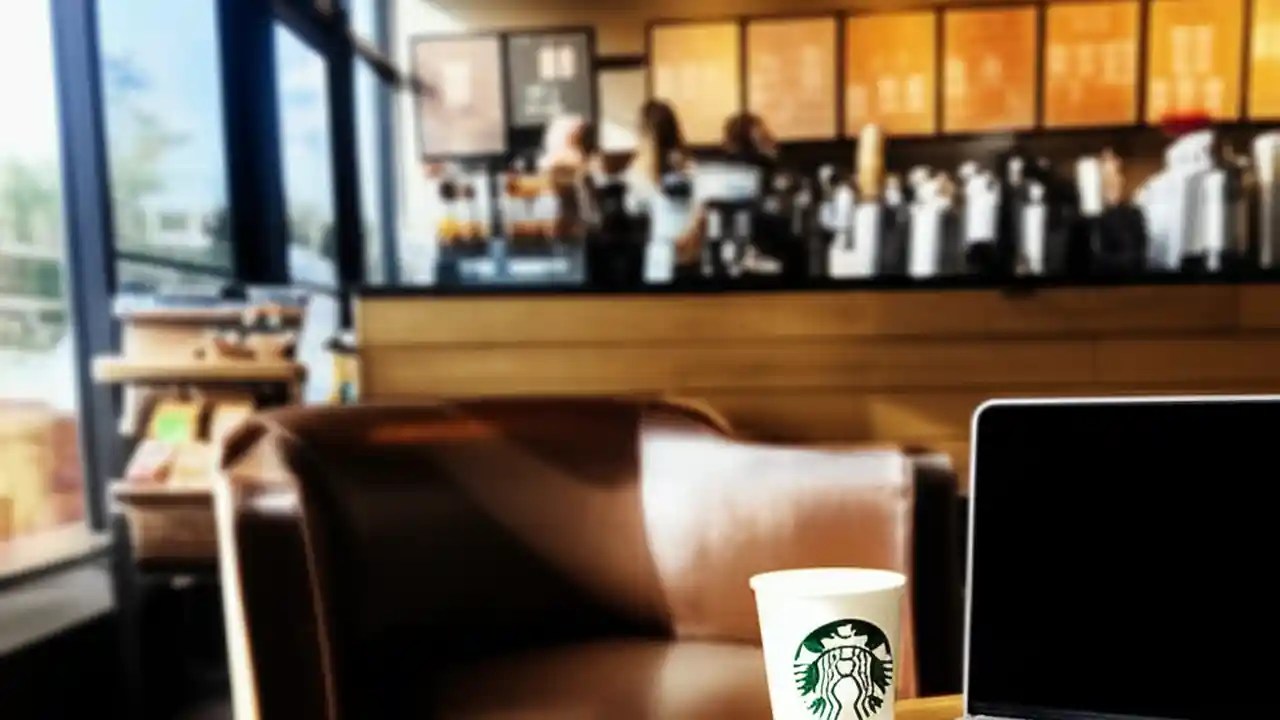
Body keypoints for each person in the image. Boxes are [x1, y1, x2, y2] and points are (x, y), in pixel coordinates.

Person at [625, 100, 703, 283]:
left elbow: (633, 207)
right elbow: (702, 206)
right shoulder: (689, 164)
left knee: (660, 307)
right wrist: (691, 233)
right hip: (691, 248)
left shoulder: (639, 168)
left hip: (661, 250)